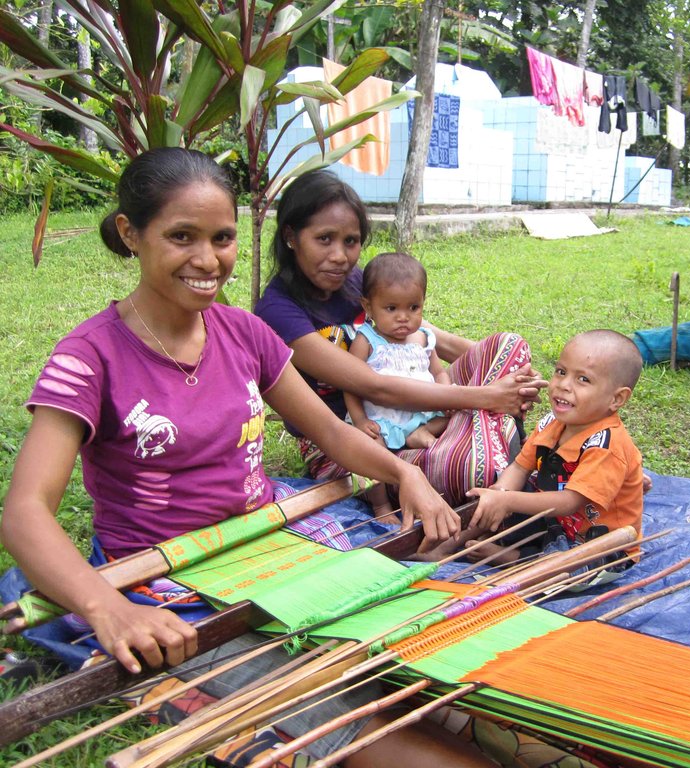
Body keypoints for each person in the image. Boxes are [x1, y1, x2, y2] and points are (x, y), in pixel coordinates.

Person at [0, 148, 493, 766]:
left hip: (268, 542)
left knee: (429, 654)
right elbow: (24, 512)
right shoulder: (90, 357)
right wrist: (107, 607)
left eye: (223, 237)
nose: (208, 260)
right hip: (167, 581)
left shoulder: (243, 332)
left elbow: (332, 432)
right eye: (182, 236)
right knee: (345, 712)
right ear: (131, 234)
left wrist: (403, 474)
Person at [254, 170, 546, 507]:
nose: (340, 256)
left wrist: (515, 378)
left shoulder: (353, 282)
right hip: (356, 437)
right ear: (291, 236)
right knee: (460, 469)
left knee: (507, 346)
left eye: (350, 241)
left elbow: (436, 339)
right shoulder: (277, 312)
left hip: (419, 410)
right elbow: (374, 386)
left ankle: (481, 446)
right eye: (324, 239)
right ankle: (487, 445)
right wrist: (486, 397)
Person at [465, 330, 645, 569]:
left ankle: (515, 558)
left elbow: (571, 502)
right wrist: (499, 492)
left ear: (617, 399)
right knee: (503, 496)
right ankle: (450, 545)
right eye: (561, 372)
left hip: (595, 542)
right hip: (554, 521)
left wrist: (507, 501)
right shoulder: (552, 422)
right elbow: (520, 466)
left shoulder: (607, 445)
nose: (563, 385)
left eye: (583, 379)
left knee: (570, 567)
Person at [342, 252, 451, 520]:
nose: (403, 318)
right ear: (368, 307)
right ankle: (380, 505)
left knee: (452, 417)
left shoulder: (423, 338)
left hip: (420, 415)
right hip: (382, 419)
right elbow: (350, 383)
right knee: (369, 449)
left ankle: (419, 433)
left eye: (413, 308)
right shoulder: (366, 341)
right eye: (391, 309)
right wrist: (359, 419)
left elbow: (438, 371)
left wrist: (446, 393)